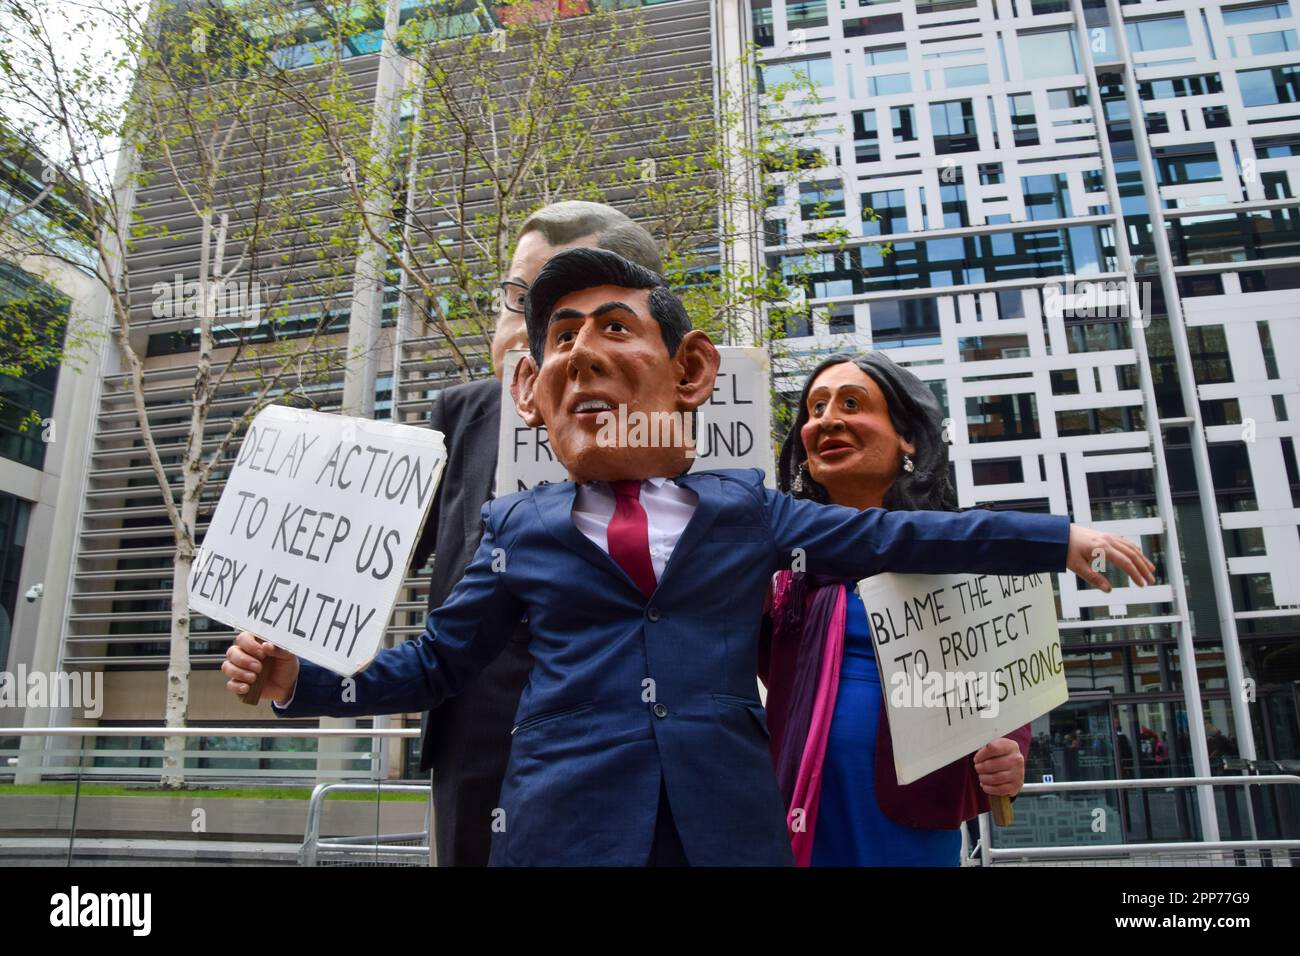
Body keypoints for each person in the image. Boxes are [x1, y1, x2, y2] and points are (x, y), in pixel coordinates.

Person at [223, 248, 1155, 866]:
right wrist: (299, 681)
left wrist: (1057, 538)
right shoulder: (515, 528)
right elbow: (435, 663)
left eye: (615, 328)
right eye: (560, 339)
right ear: (532, 398)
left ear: (694, 373)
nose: (583, 353)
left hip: (727, 833)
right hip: (563, 832)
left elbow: (900, 537)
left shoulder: (746, 509)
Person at [406, 201, 662, 866]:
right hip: (475, 731)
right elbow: (386, 554)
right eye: (516, 296)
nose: (523, 321)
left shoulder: (685, 420)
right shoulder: (461, 414)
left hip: (622, 728)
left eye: (554, 299)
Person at [763, 351, 1082, 865]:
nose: (828, 420)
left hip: (906, 819)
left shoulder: (961, 556)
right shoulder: (776, 565)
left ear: (907, 437)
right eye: (815, 408)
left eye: (850, 403)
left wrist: (1008, 754)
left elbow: (998, 678)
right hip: (788, 807)